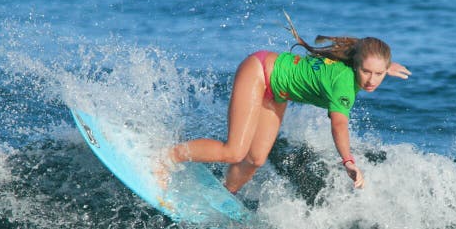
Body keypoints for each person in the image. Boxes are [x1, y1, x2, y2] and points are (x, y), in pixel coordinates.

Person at [162, 12, 410, 193]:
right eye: (367, 72)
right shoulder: (344, 86)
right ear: (357, 66)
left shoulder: (358, 61)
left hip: (277, 92)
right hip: (259, 71)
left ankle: (225, 193)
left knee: (255, 159)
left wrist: (383, 67)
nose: (371, 81)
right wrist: (348, 161)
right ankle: (166, 157)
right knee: (234, 151)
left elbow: (369, 58)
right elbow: (338, 125)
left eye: (379, 74)